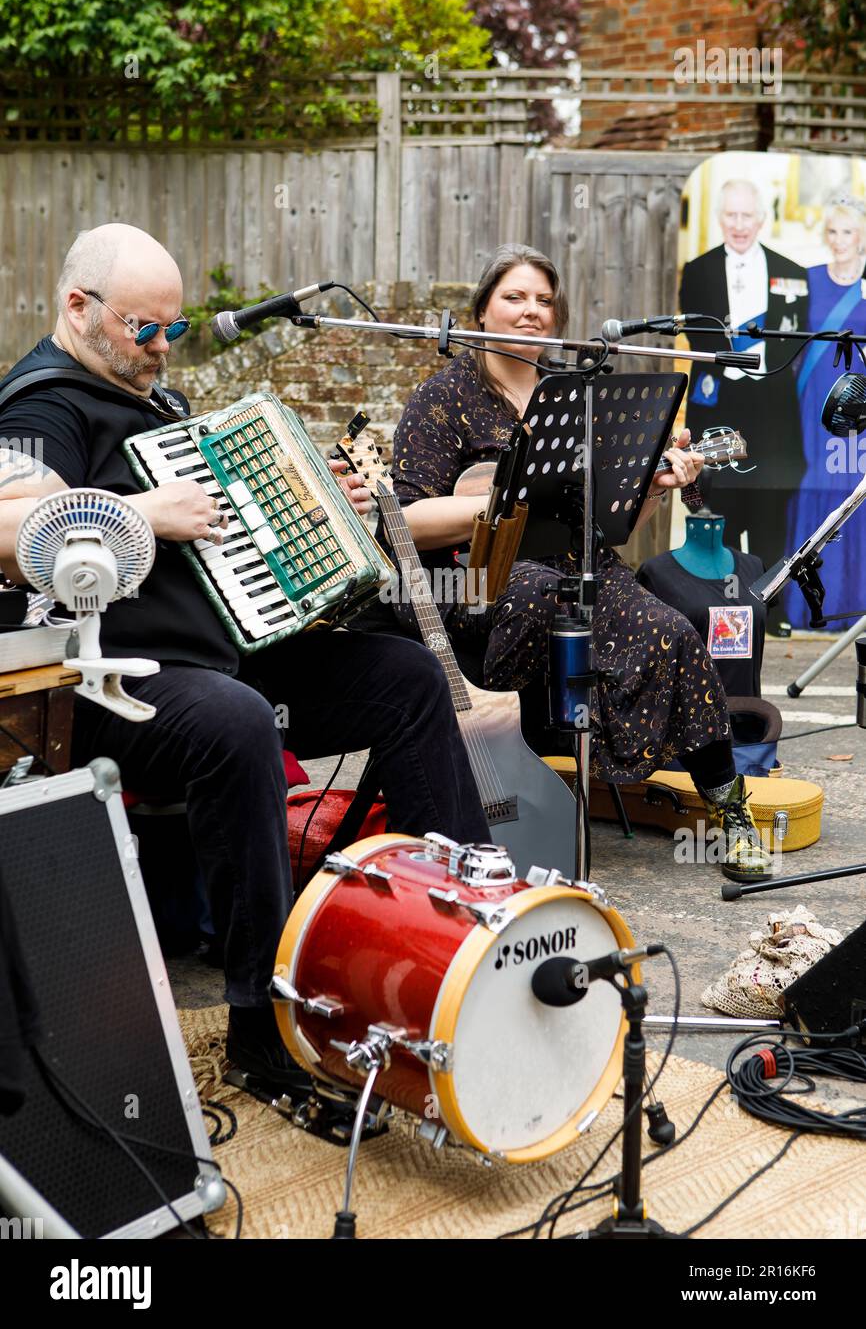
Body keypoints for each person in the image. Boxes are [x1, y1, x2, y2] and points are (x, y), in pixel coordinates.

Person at [0, 223, 490, 1088]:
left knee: (406, 678)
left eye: (172, 330)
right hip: (112, 681)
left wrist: (318, 505)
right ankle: (259, 1024)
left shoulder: (158, 405)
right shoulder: (42, 406)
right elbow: (10, 531)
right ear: (77, 308)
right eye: (141, 329)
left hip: (223, 652)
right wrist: (143, 512)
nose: (158, 349)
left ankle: (460, 929)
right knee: (237, 723)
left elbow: (235, 537)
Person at [389, 242, 773, 881]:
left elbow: (610, 529)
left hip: (577, 567)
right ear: (481, 310)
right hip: (478, 576)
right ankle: (527, 748)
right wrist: (498, 505)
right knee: (543, 592)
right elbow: (401, 521)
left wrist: (653, 486)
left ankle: (730, 813)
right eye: (514, 297)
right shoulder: (445, 398)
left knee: (674, 633)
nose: (532, 312)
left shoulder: (579, 396)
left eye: (544, 301)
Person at [679, 178, 808, 590]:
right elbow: (697, 334)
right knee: (720, 501)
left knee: (771, 505)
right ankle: (724, 600)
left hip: (772, 403)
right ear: (719, 218)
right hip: (720, 401)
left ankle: (771, 606)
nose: (738, 224)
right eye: (730, 215)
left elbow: (798, 332)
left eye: (746, 215)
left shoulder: (792, 272)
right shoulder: (697, 270)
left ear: (762, 219)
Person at [785, 193, 866, 629]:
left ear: (862, 238)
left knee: (855, 491)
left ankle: (856, 599)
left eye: (848, 232)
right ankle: (808, 606)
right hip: (814, 400)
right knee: (817, 483)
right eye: (833, 231)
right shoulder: (808, 280)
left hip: (862, 401)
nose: (839, 240)